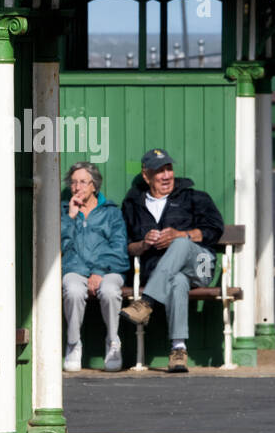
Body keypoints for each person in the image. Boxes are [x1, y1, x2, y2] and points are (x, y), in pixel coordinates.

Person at [118, 149, 225, 373]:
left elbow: (215, 230)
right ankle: (178, 350)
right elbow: (127, 245)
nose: (166, 175)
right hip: (161, 273)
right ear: (146, 176)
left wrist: (182, 235)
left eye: (169, 169)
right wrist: (144, 244)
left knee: (181, 243)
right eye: (159, 171)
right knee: (177, 280)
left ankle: (145, 303)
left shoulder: (195, 197)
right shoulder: (132, 205)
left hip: (202, 265)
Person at [61, 161, 129, 372]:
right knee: (72, 290)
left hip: (109, 270)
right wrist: (71, 217)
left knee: (109, 291)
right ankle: (73, 344)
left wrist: (99, 272)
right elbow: (57, 246)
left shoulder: (111, 213)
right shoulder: (64, 211)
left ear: (94, 185)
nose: (77, 187)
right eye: (73, 182)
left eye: (83, 182)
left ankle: (113, 342)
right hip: (74, 269)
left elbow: (119, 248)